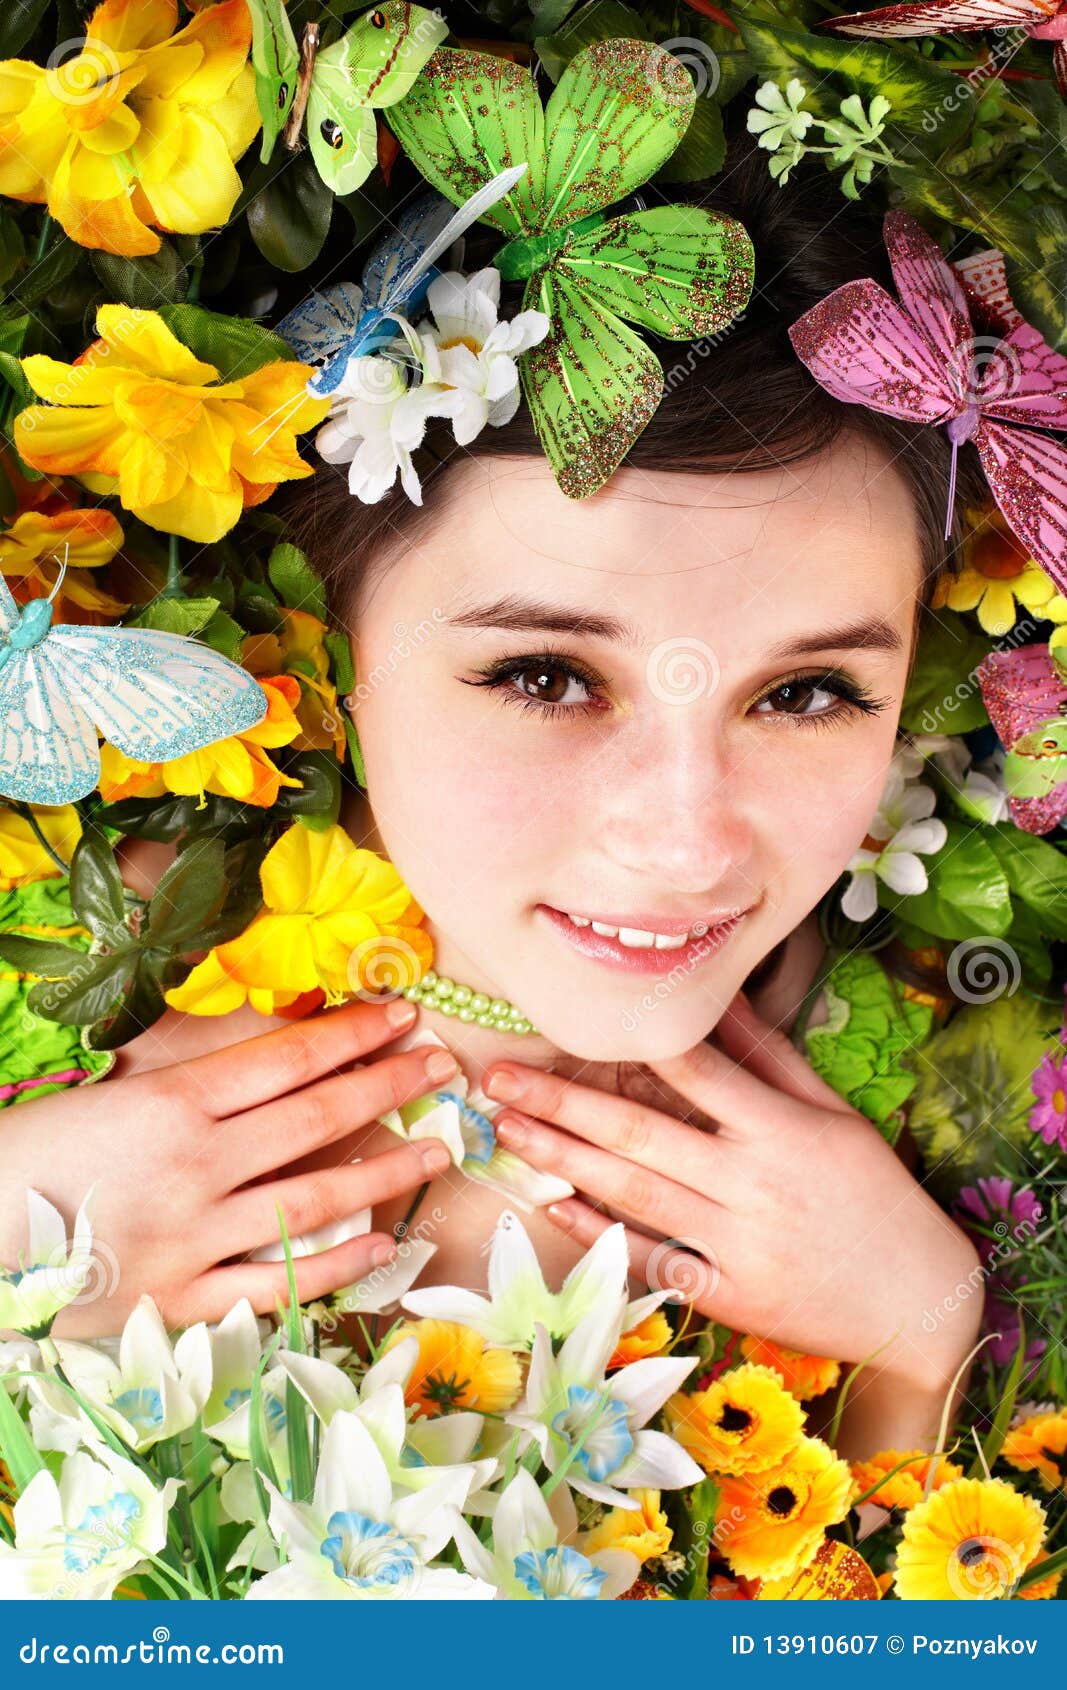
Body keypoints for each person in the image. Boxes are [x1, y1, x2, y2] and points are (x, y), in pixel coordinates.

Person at [0, 149, 986, 1458]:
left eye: (806, 693)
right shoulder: (42, 989)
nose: (685, 841)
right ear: (320, 637)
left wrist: (917, 1347)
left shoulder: (954, 1087)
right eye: (546, 674)